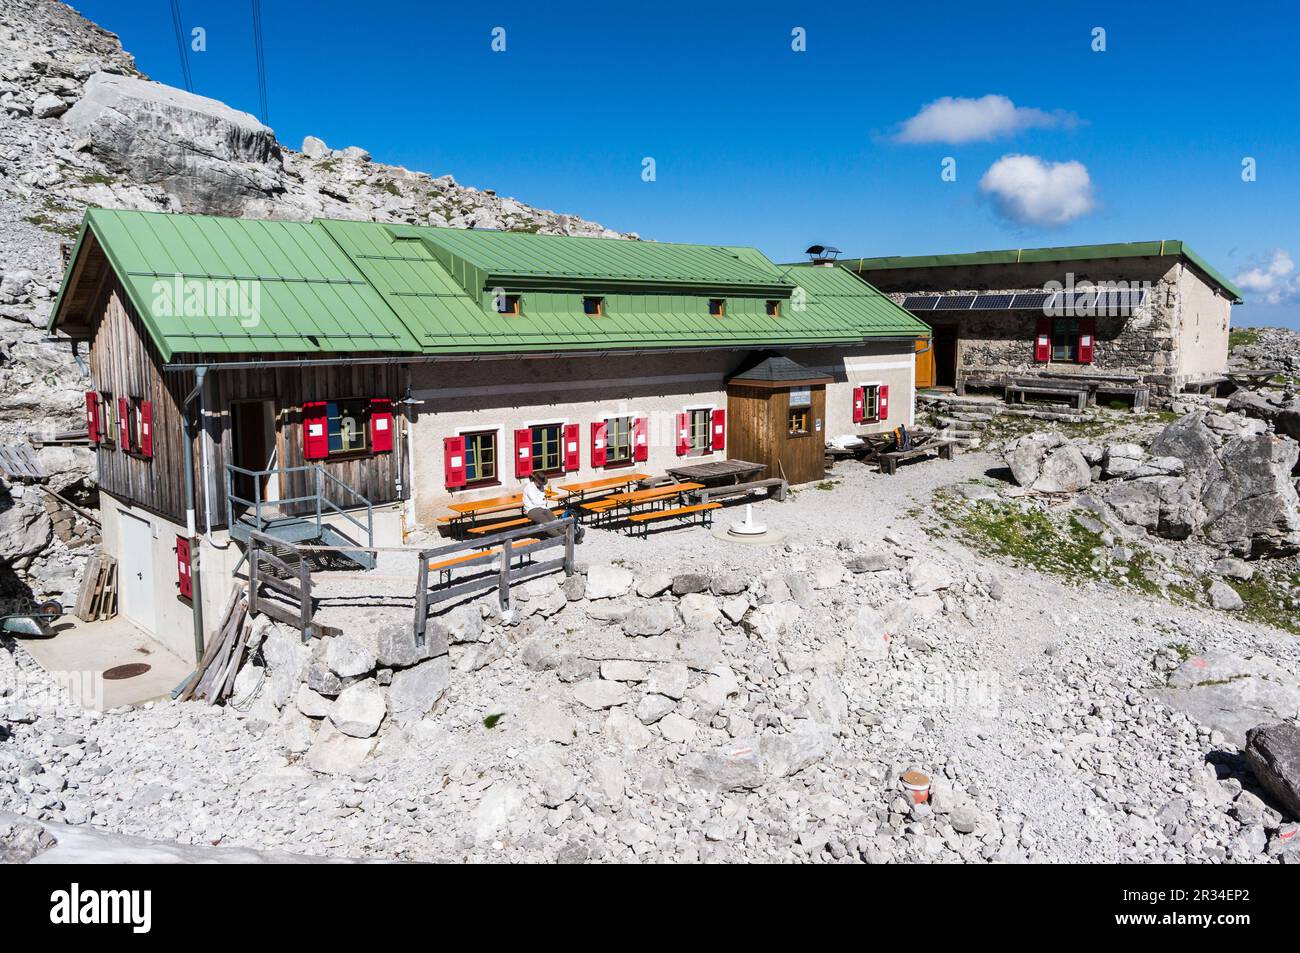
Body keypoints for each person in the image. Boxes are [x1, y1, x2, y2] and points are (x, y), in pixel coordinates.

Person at [523, 471, 584, 543]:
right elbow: (536, 502)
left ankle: (571, 536)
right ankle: (566, 539)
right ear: (535, 480)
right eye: (540, 483)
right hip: (532, 510)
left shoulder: (541, 487)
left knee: (556, 521)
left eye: (542, 483)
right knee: (547, 524)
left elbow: (543, 500)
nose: (541, 485)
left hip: (543, 508)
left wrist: (543, 501)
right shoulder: (529, 488)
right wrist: (543, 501)